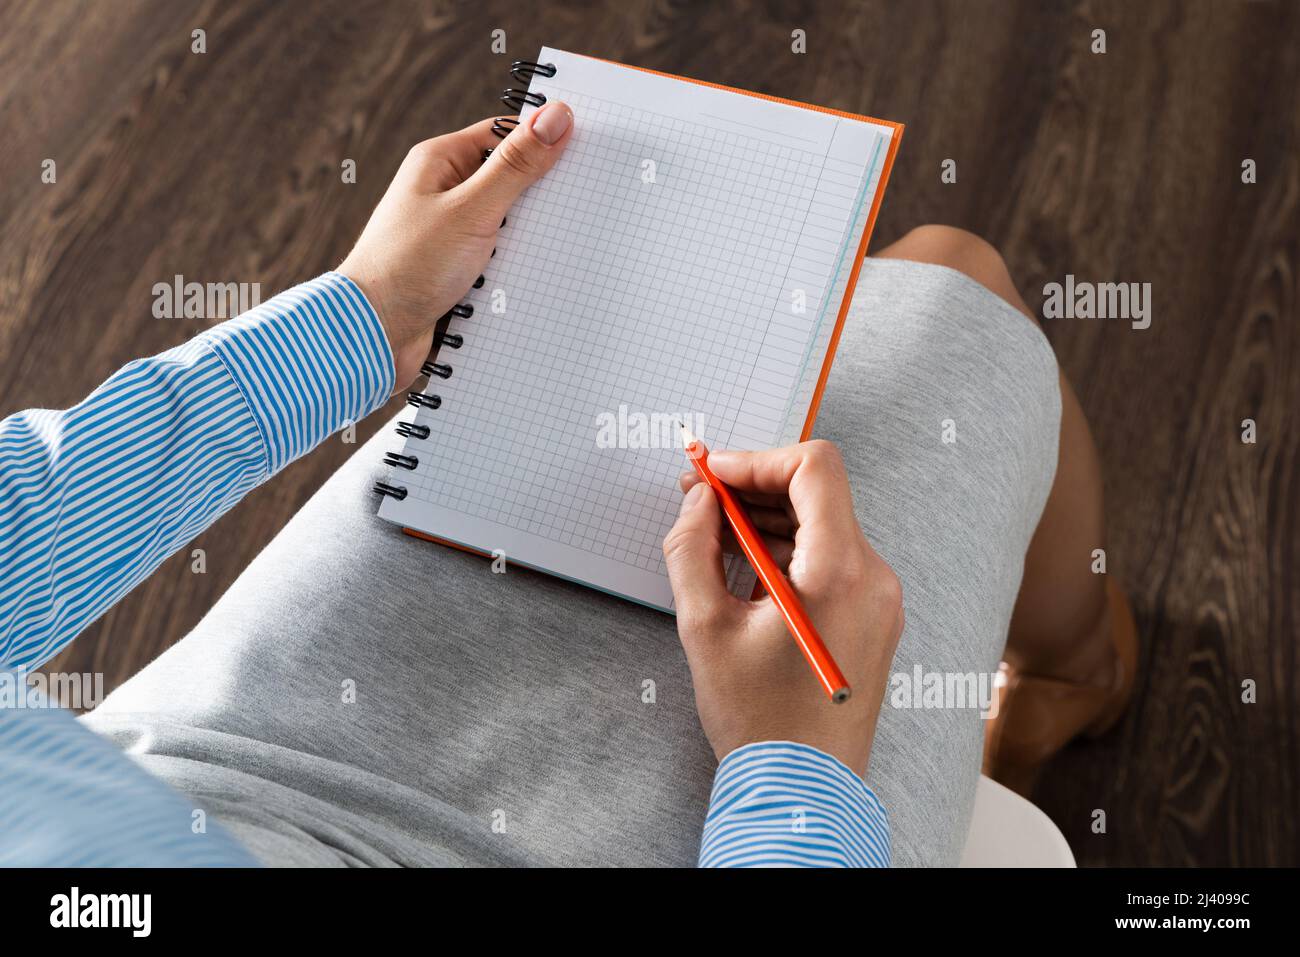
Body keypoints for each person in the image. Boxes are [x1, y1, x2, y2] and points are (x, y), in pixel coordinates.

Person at [0, 102, 1135, 867]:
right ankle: (1077, 665)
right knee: (947, 280)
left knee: (893, 313)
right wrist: (794, 769)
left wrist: (362, 320)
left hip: (204, 764)